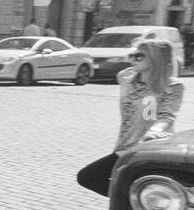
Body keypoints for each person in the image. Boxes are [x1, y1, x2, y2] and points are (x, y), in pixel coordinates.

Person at [76, 36, 184, 197]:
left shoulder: (172, 86)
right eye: (132, 55)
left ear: (156, 58)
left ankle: (138, 203)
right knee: (124, 185)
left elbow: (166, 116)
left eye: (139, 56)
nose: (133, 59)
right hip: (124, 146)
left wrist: (154, 131)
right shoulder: (126, 79)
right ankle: (137, 203)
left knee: (88, 176)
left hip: (150, 148)